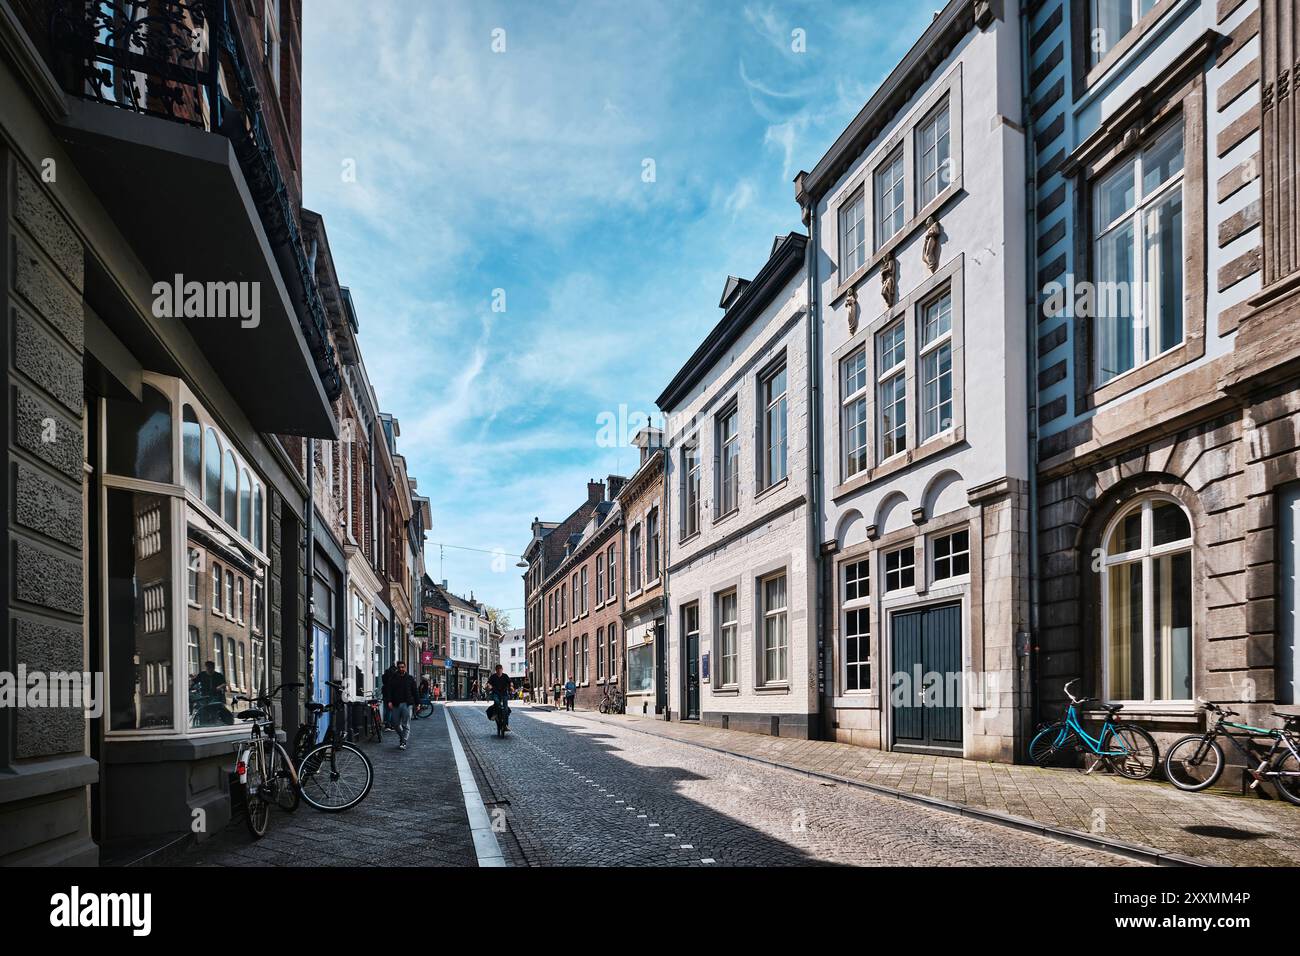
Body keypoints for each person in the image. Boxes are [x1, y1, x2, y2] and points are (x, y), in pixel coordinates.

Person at [383, 660, 419, 751]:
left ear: (405, 667)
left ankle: (403, 742)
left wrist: (418, 703)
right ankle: (403, 737)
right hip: (396, 704)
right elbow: (389, 691)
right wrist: (389, 701)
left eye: (402, 667)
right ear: (397, 668)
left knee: (405, 724)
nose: (401, 669)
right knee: (395, 724)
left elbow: (415, 692)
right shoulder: (393, 678)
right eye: (399, 667)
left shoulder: (410, 678)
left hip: (407, 704)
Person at [486, 664, 511, 729]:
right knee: (496, 701)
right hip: (496, 693)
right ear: (496, 671)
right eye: (498, 671)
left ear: (502, 670)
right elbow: (488, 683)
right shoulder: (493, 676)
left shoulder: (505, 676)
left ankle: (506, 725)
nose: (499, 672)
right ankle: (495, 713)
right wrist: (488, 686)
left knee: (505, 709)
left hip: (504, 694)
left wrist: (511, 686)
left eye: (500, 671)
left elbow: (510, 683)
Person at [381, 662, 399, 730]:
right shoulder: (393, 677)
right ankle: (389, 725)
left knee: (387, 710)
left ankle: (387, 724)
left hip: (385, 694)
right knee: (391, 710)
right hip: (391, 696)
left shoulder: (385, 676)